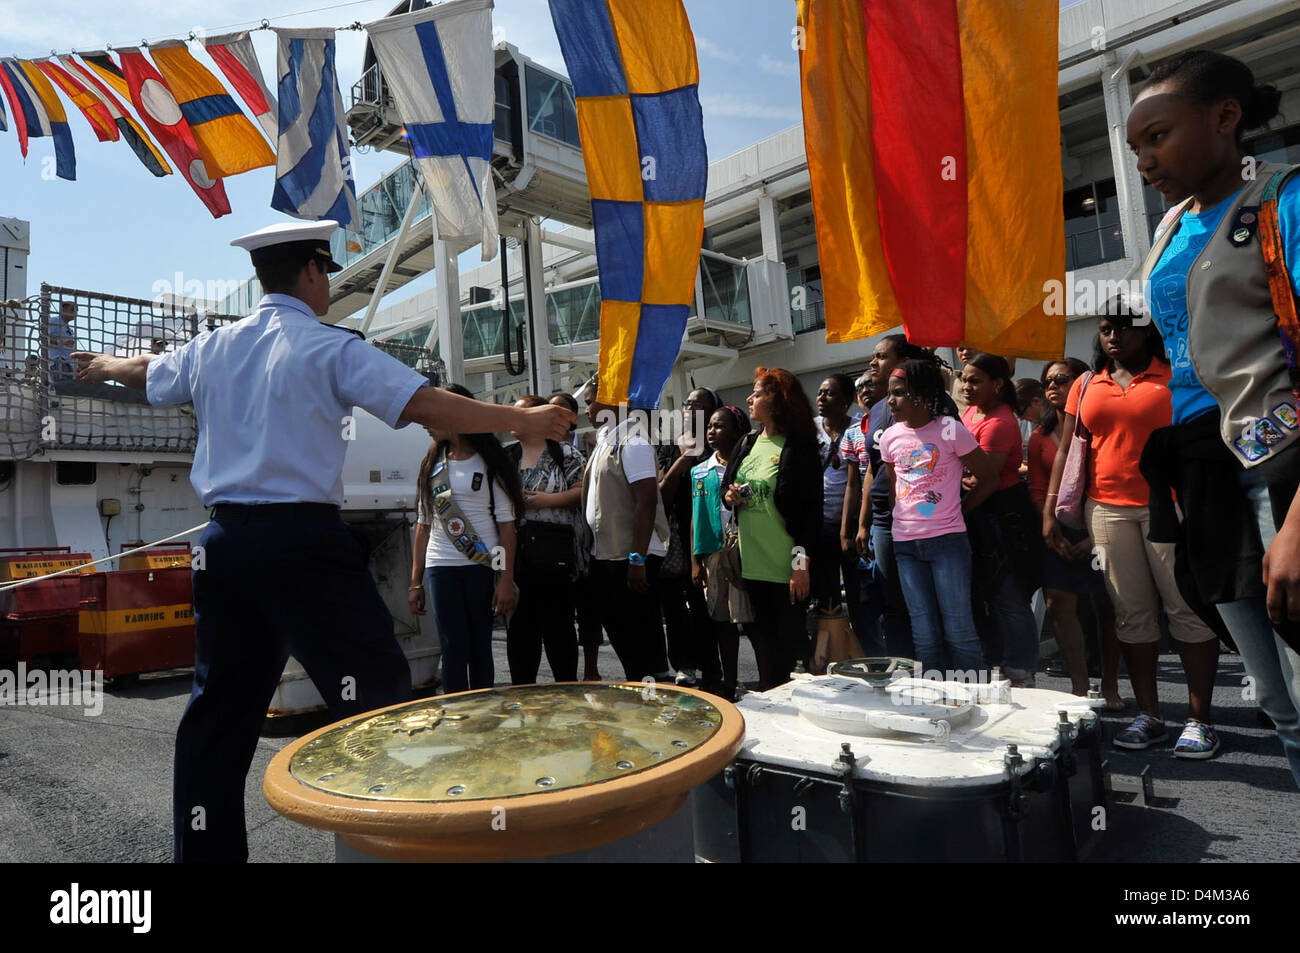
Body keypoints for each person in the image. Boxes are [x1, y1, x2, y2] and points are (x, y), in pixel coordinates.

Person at [72, 220, 572, 862]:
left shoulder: (213, 347)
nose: (330, 282)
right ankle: (393, 846)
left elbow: (148, 371)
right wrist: (521, 418)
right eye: (327, 270)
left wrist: (104, 365)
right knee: (375, 695)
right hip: (304, 543)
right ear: (309, 272)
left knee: (218, 714)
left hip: (224, 545)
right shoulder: (329, 346)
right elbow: (430, 407)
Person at [1125, 49, 1300, 779]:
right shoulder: (1169, 228)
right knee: (1275, 697)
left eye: (1157, 137)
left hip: (1282, 471)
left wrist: (1297, 520)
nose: (1143, 161)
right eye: (1136, 147)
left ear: (1225, 117)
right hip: (1206, 473)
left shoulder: (1283, 201)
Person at [1044, 308, 1222, 758]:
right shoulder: (1086, 386)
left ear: (1147, 331)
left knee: (1186, 609)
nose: (1113, 337)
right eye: (1105, 331)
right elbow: (1066, 447)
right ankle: (1150, 715)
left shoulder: (1177, 373)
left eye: (1122, 328)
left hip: (1171, 506)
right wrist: (1050, 508)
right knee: (1130, 614)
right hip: (1105, 509)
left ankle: (1200, 720)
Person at [880, 360, 999, 676]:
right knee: (924, 634)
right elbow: (895, 487)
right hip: (905, 545)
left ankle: (975, 700)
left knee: (959, 629)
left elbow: (988, 477)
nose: (891, 400)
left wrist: (962, 508)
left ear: (922, 393)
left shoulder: (950, 429)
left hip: (948, 543)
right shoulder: (889, 437)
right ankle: (935, 703)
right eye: (890, 393)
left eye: (899, 393)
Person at [409, 383, 523, 693]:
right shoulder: (432, 464)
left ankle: (484, 714)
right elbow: (423, 524)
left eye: (430, 416)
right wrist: (415, 581)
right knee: (452, 645)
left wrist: (504, 578)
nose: (424, 425)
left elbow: (507, 527)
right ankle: (456, 714)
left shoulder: (489, 463)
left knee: (479, 646)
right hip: (439, 566)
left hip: (479, 565)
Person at [854, 334, 961, 660]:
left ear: (903, 363)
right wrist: (863, 522)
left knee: (935, 606)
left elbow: (955, 459)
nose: (873, 363)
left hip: (932, 524)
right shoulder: (875, 410)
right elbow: (874, 467)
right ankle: (906, 675)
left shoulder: (937, 403)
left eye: (881, 356)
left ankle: (945, 678)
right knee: (895, 604)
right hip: (887, 524)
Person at [1026, 358, 1121, 707]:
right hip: (1058, 533)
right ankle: (1080, 690)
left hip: (1105, 523)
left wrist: (1092, 537)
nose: (1052, 386)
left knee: (1111, 608)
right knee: (1058, 604)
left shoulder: (1103, 426)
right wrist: (1052, 527)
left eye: (1061, 379)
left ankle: (1110, 686)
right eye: (1046, 381)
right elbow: (1037, 490)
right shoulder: (1039, 437)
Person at [722, 366, 822, 689]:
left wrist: (800, 566)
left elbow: (810, 515)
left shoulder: (798, 446)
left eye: (758, 393)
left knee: (792, 645)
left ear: (777, 400)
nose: (750, 398)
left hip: (786, 567)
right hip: (752, 564)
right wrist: (732, 495)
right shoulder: (747, 442)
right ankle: (773, 697)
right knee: (765, 642)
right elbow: (727, 490)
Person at [961, 351, 1044, 686]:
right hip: (976, 510)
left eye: (975, 380)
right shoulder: (968, 413)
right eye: (964, 379)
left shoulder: (1000, 423)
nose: (966, 386)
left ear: (997, 384)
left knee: (1008, 595)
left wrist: (959, 512)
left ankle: (1021, 671)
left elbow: (987, 480)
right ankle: (993, 665)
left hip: (1002, 515)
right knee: (982, 594)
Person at [582, 383, 673, 682]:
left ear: (612, 403)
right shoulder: (606, 441)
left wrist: (637, 559)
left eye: (591, 402)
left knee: (640, 642)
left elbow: (646, 502)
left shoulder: (632, 442)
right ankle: (642, 694)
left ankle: (656, 698)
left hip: (630, 557)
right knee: (623, 637)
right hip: (608, 555)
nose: (587, 409)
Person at [504, 394, 587, 684]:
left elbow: (583, 492)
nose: (513, 419)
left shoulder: (566, 454)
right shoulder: (506, 456)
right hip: (517, 554)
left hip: (557, 555)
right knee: (521, 631)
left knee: (559, 628)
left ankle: (566, 691)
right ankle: (523, 695)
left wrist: (545, 501)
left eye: (521, 414)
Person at [658, 387, 721, 686]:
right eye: (687, 404)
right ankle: (685, 664)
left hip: (715, 537)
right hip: (679, 540)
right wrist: (684, 459)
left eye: (698, 405)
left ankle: (716, 671)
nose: (689, 410)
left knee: (709, 607)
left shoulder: (720, 446)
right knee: (675, 605)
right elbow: (661, 495)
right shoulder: (670, 446)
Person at [690, 405, 752, 700]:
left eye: (720, 426)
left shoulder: (749, 465)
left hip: (747, 547)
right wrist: (695, 559)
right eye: (710, 426)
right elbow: (696, 516)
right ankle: (729, 682)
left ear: (738, 431)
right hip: (714, 551)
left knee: (750, 616)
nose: (712, 431)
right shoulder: (699, 471)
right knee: (721, 620)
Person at [811, 374, 865, 644]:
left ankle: (863, 645)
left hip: (850, 523)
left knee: (858, 591)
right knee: (827, 592)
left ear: (845, 402)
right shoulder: (809, 429)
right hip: (819, 525)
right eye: (820, 393)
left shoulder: (858, 429)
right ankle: (831, 650)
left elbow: (857, 481)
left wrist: (849, 527)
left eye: (829, 394)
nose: (821, 398)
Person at [559, 386, 603, 681]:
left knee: (589, 609)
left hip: (586, 540)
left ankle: (591, 669)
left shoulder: (590, 444)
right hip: (557, 546)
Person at [839, 371, 884, 654]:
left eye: (871, 384)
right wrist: (847, 529)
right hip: (864, 520)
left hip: (890, 515)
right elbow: (853, 484)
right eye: (860, 387)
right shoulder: (854, 432)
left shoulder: (895, 423)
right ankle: (876, 657)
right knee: (868, 593)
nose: (866, 390)